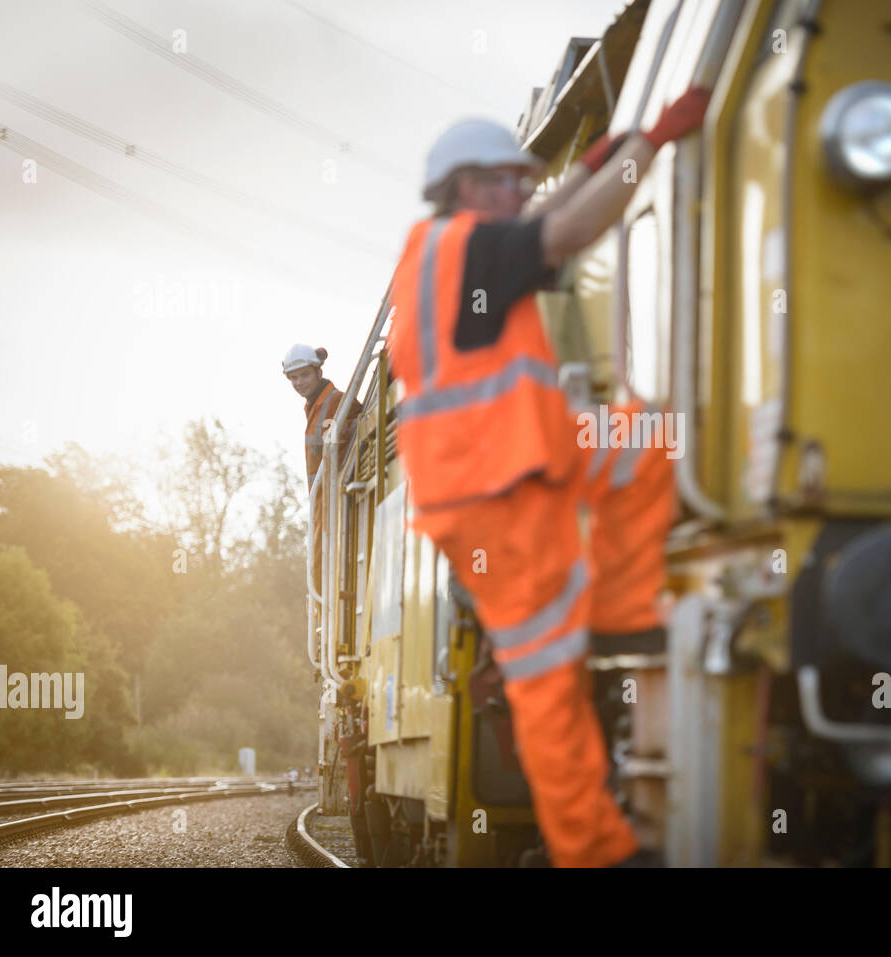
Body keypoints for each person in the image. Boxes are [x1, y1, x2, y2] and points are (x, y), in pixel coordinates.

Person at [386, 88, 710, 867]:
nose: (523, 190)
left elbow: (541, 217)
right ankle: (595, 853)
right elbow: (565, 231)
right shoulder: (466, 246)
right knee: (546, 683)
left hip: (528, 459)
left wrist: (600, 154)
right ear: (469, 184)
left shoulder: (454, 247)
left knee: (649, 437)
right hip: (493, 494)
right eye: (510, 179)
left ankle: (627, 607)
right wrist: (652, 145)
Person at [283, 344, 361, 594]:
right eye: (293, 378)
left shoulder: (336, 401)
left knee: (328, 573)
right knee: (319, 572)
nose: (298, 383)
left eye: (304, 375)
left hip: (336, 505)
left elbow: (359, 436)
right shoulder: (313, 408)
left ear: (318, 372)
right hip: (321, 506)